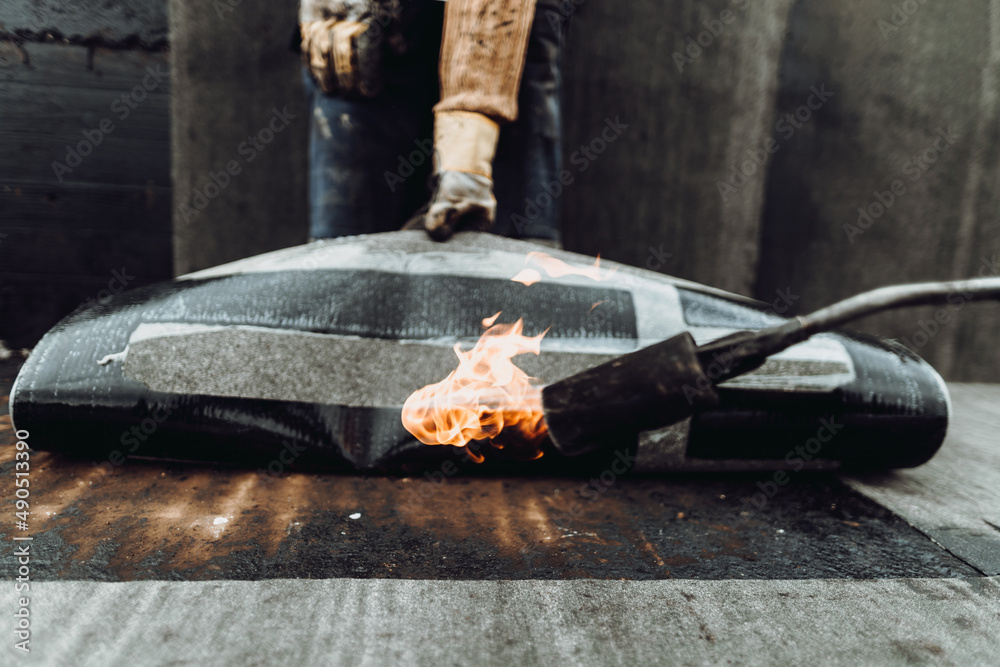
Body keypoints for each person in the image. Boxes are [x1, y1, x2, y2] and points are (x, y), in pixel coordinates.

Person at [299, 0, 565, 246]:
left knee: (506, 271)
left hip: (507, 26)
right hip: (372, 24)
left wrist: (470, 146)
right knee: (345, 260)